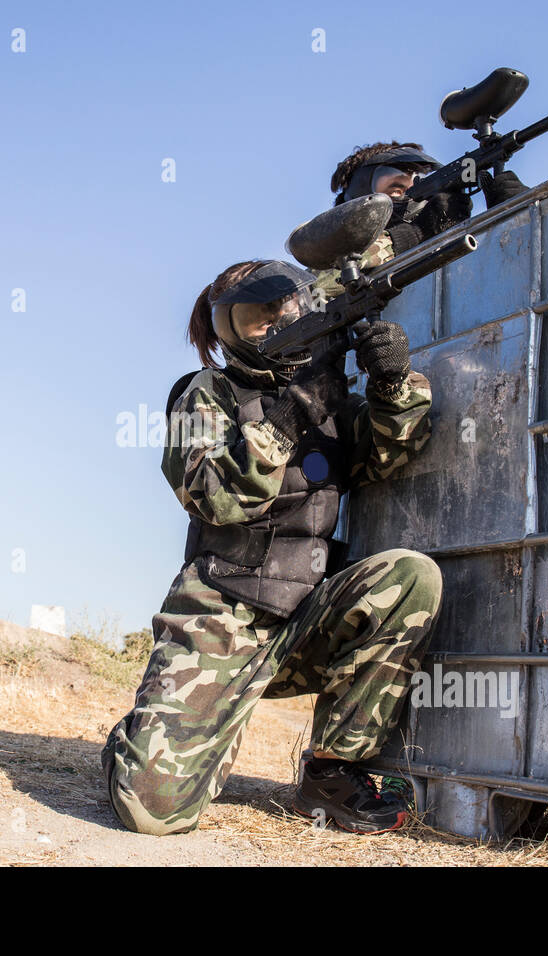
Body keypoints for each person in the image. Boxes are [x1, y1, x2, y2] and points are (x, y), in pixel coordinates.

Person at [101, 258, 443, 836]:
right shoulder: (204, 393)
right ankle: (138, 742)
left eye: (277, 310)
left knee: (411, 577)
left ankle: (334, 770)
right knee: (151, 812)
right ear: (223, 330)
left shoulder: (328, 399)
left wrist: (391, 384)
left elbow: (391, 454)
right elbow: (216, 497)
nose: (267, 325)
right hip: (222, 614)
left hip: (307, 619)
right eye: (248, 317)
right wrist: (293, 412)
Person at [315, 141, 529, 303]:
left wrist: (517, 222)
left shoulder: (459, 262)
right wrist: (413, 235)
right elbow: (314, 294)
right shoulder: (325, 261)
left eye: (420, 185)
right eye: (397, 189)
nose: (413, 198)